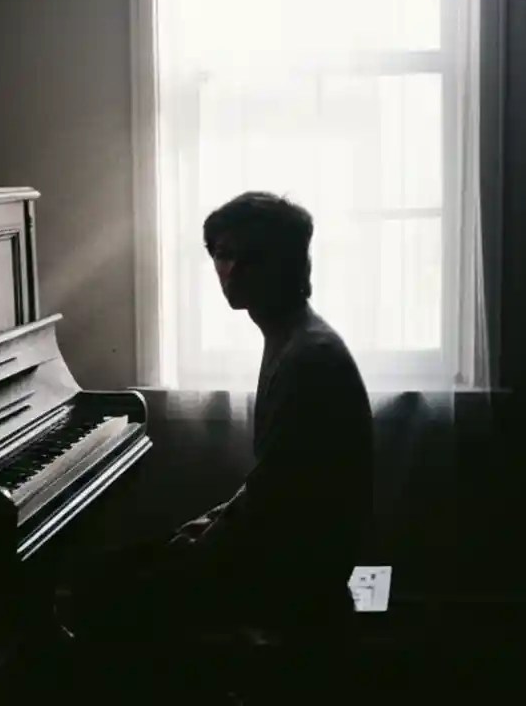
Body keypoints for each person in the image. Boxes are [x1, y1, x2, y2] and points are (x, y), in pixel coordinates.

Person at [62, 192, 373, 667]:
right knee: (122, 563)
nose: (233, 269)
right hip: (295, 547)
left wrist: (204, 544)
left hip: (303, 570)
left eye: (253, 257)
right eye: (224, 255)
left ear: (290, 263)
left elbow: (280, 502)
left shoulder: (308, 359)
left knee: (101, 588)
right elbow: (274, 482)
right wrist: (212, 521)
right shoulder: (292, 335)